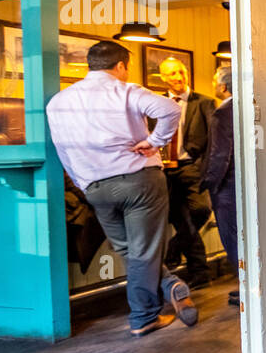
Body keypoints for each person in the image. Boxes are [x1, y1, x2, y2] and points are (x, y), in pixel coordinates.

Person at [46, 40, 199, 337]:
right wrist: (155, 142)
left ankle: (170, 286)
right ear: (120, 66)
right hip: (138, 180)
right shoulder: (126, 91)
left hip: (95, 186)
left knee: (128, 250)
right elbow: (169, 109)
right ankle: (144, 316)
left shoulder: (59, 101)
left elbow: (61, 148)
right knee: (144, 251)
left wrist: (83, 181)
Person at [157, 58, 216, 287]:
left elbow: (214, 140)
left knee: (201, 209)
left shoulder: (204, 103)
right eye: (172, 74)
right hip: (165, 170)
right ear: (163, 77)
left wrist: (204, 167)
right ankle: (200, 273)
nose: (179, 77)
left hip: (192, 166)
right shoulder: (156, 104)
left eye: (181, 72)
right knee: (180, 219)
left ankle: (174, 248)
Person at [201, 65, 239, 308]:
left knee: (232, 237)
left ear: (223, 86)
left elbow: (219, 156)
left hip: (228, 185)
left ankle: (246, 286)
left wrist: (209, 183)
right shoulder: (254, 105)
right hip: (251, 182)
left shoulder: (223, 113)